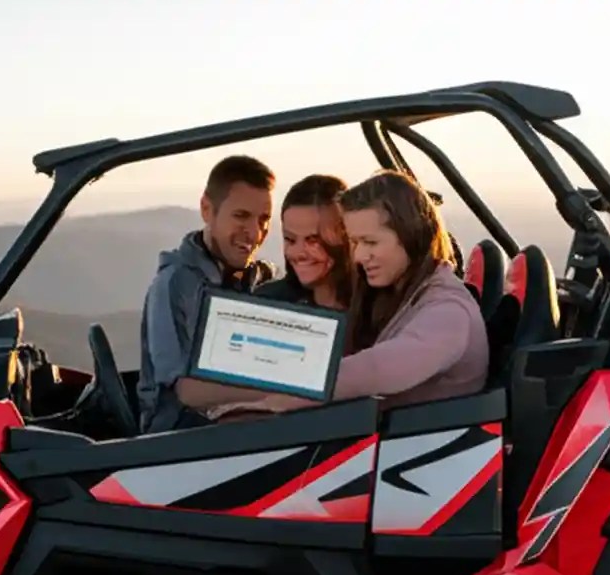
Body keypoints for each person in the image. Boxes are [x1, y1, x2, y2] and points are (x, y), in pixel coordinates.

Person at [210, 169, 489, 418]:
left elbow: (378, 370)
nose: (359, 256)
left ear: (410, 235)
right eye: (354, 243)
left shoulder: (447, 311)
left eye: (370, 242)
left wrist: (277, 400)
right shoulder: (406, 297)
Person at [136, 155, 279, 433]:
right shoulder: (174, 284)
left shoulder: (265, 278)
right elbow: (185, 391)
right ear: (206, 210)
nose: (254, 232)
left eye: (264, 219)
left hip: (239, 419)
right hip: (178, 439)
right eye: (241, 216)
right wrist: (285, 387)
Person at [254, 174, 353, 311]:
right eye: (290, 240)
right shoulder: (267, 301)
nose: (299, 253)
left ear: (347, 235)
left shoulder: (379, 309)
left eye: (313, 240)